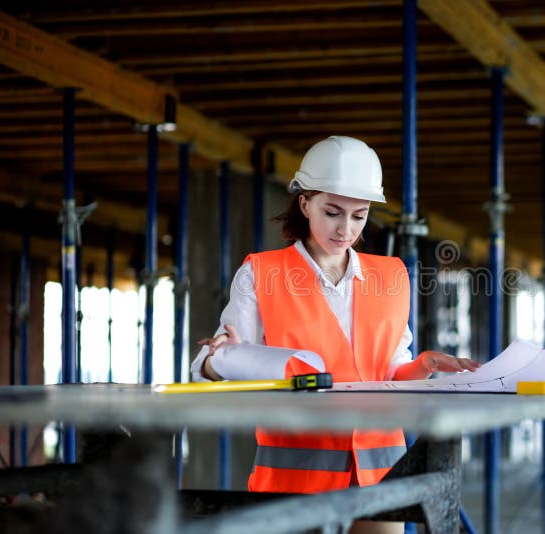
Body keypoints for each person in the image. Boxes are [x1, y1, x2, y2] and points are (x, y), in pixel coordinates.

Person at [191, 135, 478, 531]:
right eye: (332, 212)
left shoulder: (391, 277)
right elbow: (210, 366)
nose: (345, 229)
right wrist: (218, 360)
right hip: (297, 471)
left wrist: (422, 365)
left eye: (359, 215)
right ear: (305, 203)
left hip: (380, 467)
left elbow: (391, 371)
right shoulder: (261, 273)